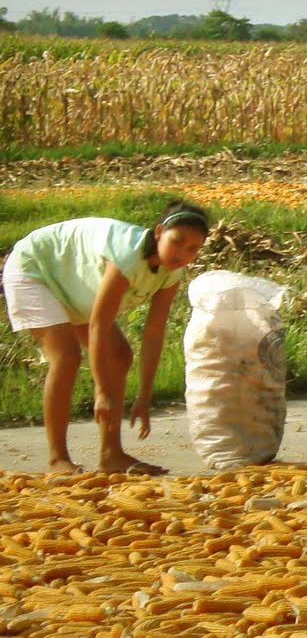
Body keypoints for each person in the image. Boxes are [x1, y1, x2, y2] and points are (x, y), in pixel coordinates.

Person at [3, 202, 211, 474]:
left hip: (71, 282)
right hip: (35, 269)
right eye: (177, 241)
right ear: (159, 232)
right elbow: (98, 326)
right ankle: (57, 459)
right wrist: (103, 392)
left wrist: (144, 396)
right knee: (66, 357)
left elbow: (153, 332)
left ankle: (111, 455)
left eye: (193, 248)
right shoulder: (127, 256)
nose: (182, 253)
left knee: (119, 355)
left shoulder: (172, 274)